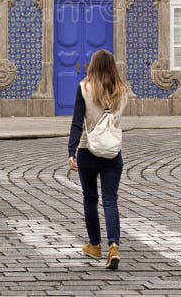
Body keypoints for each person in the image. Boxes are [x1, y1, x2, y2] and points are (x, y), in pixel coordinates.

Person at [67, 49, 129, 270]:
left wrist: (71, 151)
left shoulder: (84, 88)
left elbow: (77, 122)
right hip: (113, 151)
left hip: (88, 150)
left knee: (90, 199)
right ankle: (114, 245)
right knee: (110, 200)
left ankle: (95, 245)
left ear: (92, 66)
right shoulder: (122, 90)